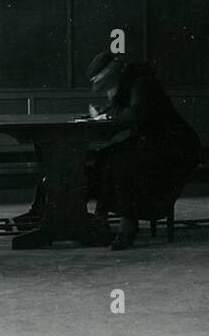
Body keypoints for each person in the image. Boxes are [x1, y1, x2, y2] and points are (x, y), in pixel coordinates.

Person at [84, 51, 202, 251]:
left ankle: (126, 226)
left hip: (176, 146)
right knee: (107, 156)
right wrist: (107, 110)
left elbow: (135, 114)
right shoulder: (128, 85)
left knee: (120, 161)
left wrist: (110, 112)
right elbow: (123, 110)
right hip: (156, 142)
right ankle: (100, 218)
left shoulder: (143, 84)